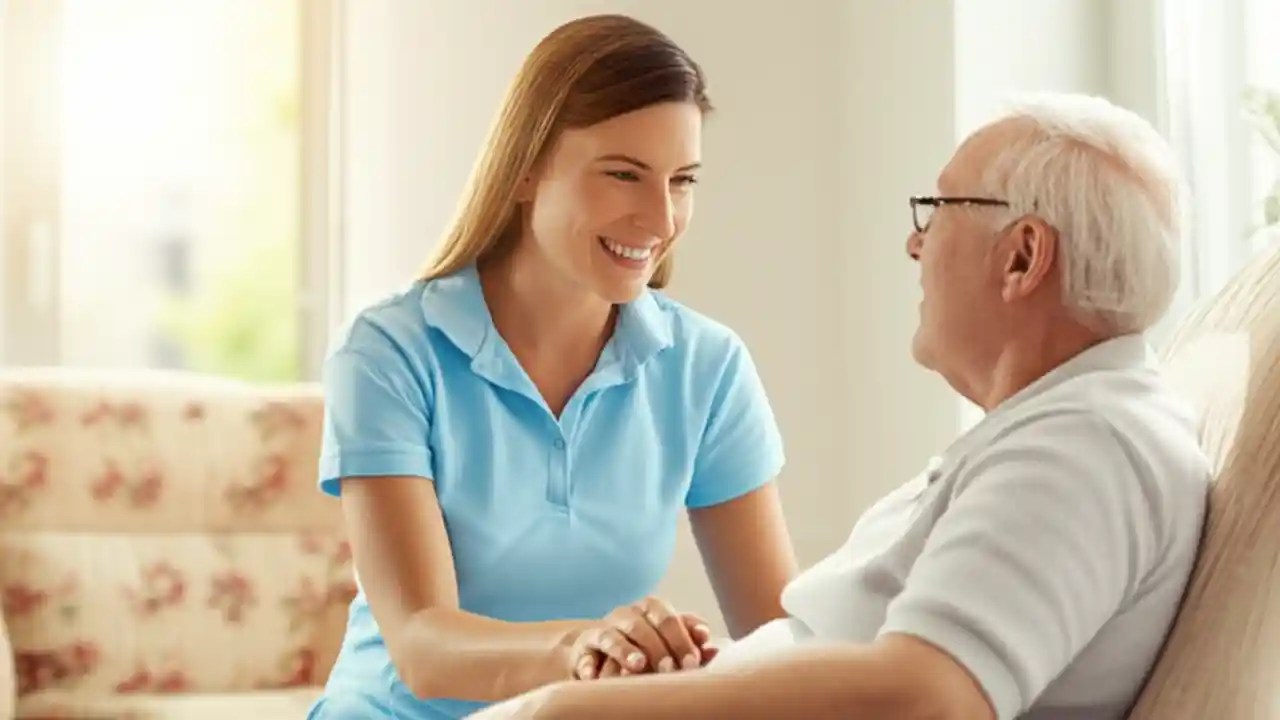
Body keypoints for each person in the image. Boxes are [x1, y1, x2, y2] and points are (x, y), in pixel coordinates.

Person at [472, 93, 1212, 720]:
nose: (915, 244)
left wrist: (565, 710)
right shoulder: (1066, 430)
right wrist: (680, 670)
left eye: (938, 210)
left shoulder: (1084, 448)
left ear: (1022, 257)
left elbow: (928, 698)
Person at [307, 13, 799, 720]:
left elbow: (778, 643)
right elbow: (421, 646)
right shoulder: (388, 352)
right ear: (526, 169)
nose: (661, 219)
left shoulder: (707, 367)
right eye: (624, 175)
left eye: (682, 181)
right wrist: (583, 650)